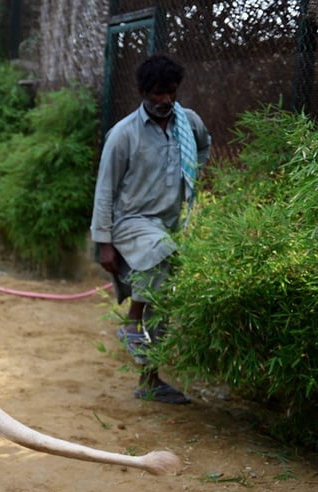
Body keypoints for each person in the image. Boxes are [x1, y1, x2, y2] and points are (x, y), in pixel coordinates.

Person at [90, 54, 210, 405]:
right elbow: (105, 188)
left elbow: (204, 146)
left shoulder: (188, 124)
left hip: (168, 223)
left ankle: (150, 378)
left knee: (163, 297)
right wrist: (104, 243)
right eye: (158, 93)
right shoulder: (124, 134)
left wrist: (194, 172)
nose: (166, 101)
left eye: (171, 93)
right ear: (143, 92)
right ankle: (131, 321)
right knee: (162, 252)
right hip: (130, 221)